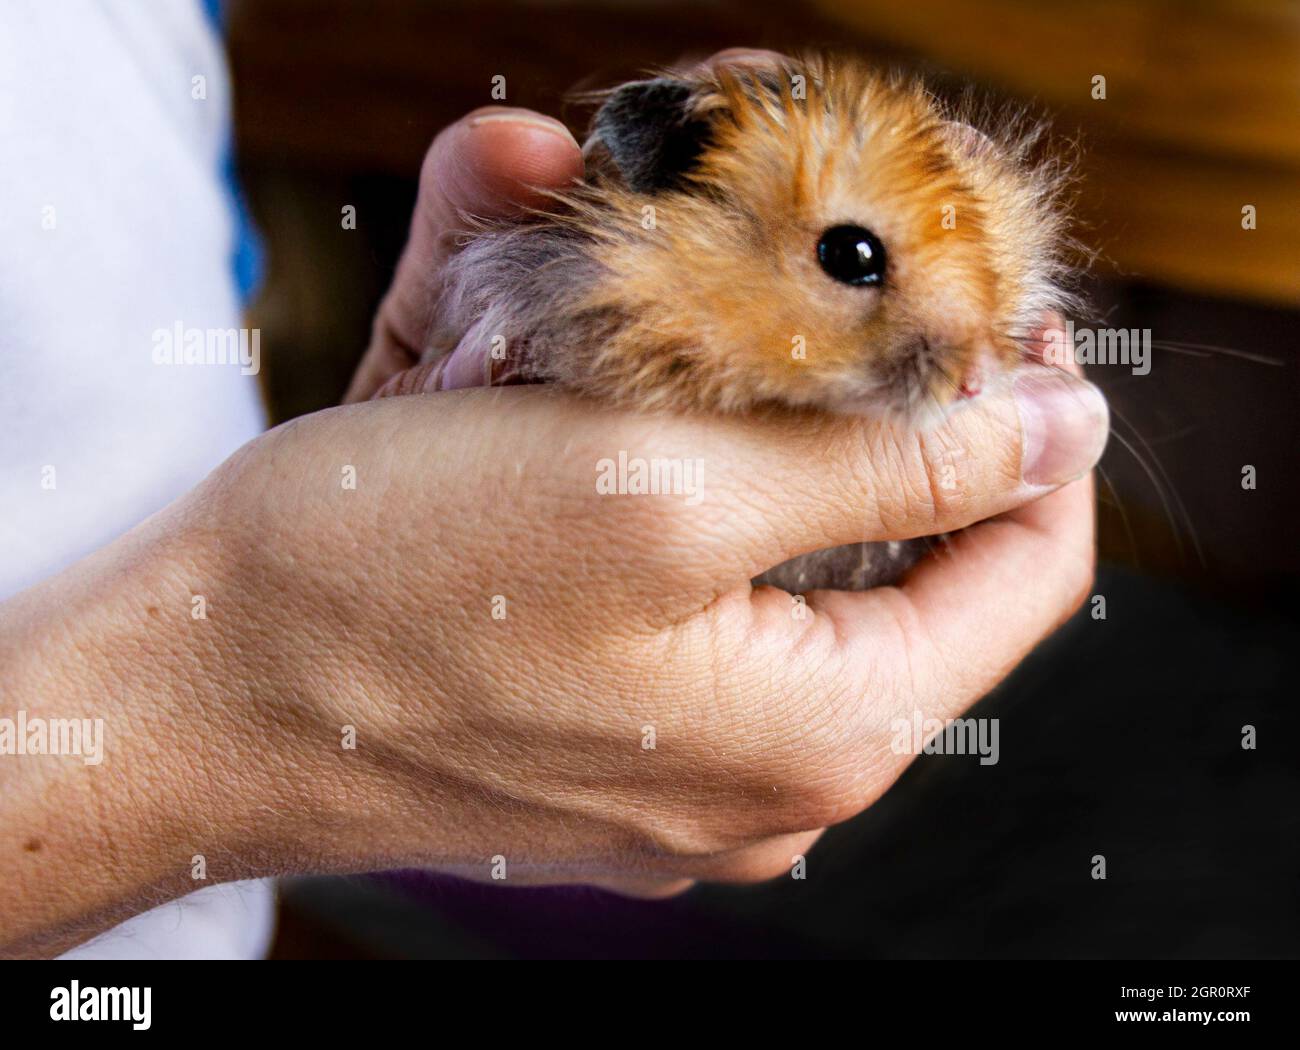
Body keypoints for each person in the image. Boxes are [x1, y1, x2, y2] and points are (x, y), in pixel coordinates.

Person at [0, 5, 1108, 959]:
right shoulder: (595, 296)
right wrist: (203, 725)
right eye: (853, 264)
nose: (962, 356)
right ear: (664, 180)